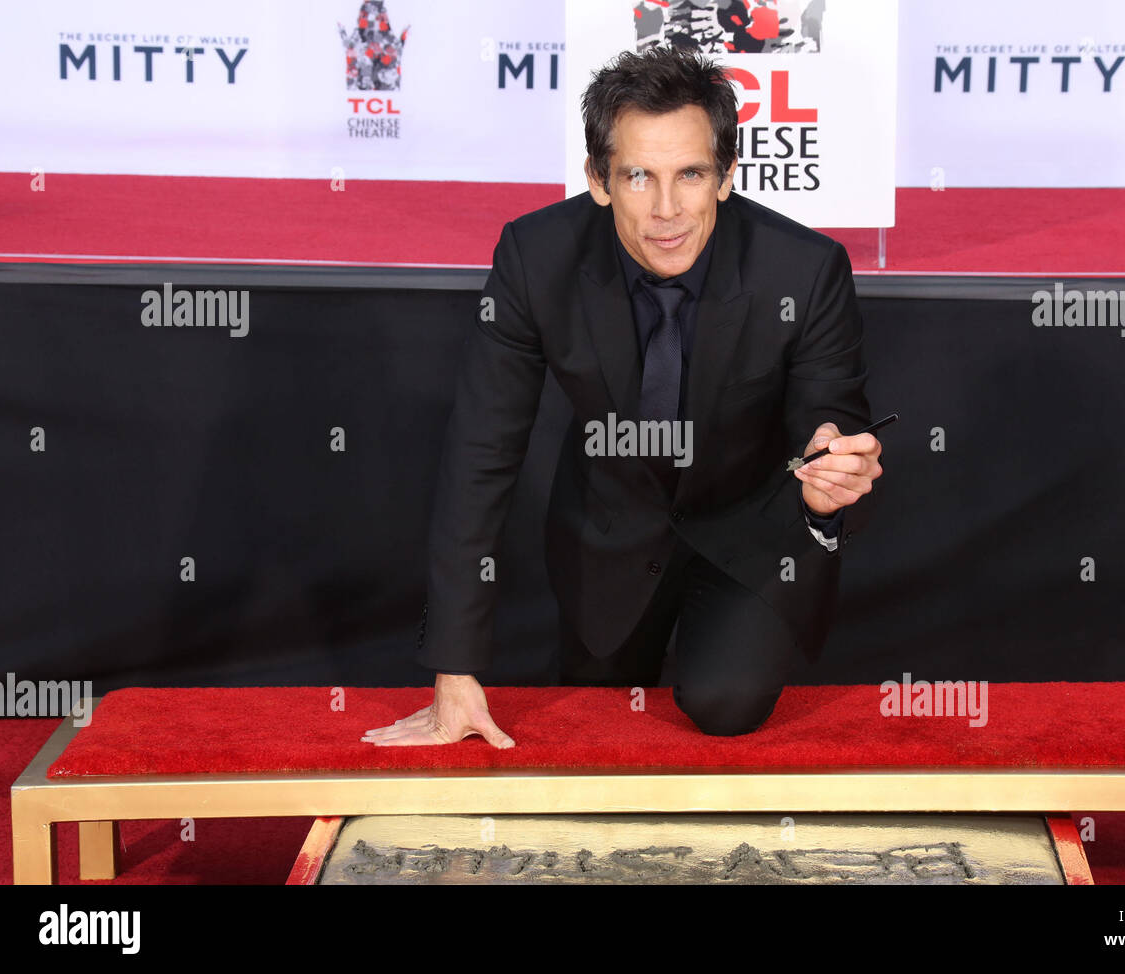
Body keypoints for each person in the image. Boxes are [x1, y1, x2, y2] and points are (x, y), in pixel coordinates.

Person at [363, 46, 883, 749]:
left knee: (726, 705)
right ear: (598, 180)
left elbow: (832, 427)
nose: (667, 211)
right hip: (606, 528)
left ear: (727, 176)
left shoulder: (805, 269)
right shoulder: (535, 257)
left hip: (749, 533)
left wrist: (829, 482)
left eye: (691, 175)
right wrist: (453, 665)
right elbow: (480, 453)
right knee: (595, 721)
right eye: (639, 176)